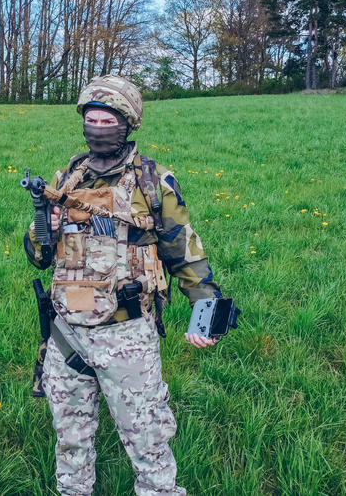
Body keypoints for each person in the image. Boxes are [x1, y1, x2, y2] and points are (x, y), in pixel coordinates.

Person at [23, 74, 222, 496]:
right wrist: (46, 228)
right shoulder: (68, 177)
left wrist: (205, 311)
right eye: (90, 118)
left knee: (147, 436)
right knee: (70, 438)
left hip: (126, 332)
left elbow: (184, 250)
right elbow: (39, 258)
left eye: (106, 119)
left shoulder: (153, 181)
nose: (96, 127)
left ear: (127, 122)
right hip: (66, 333)